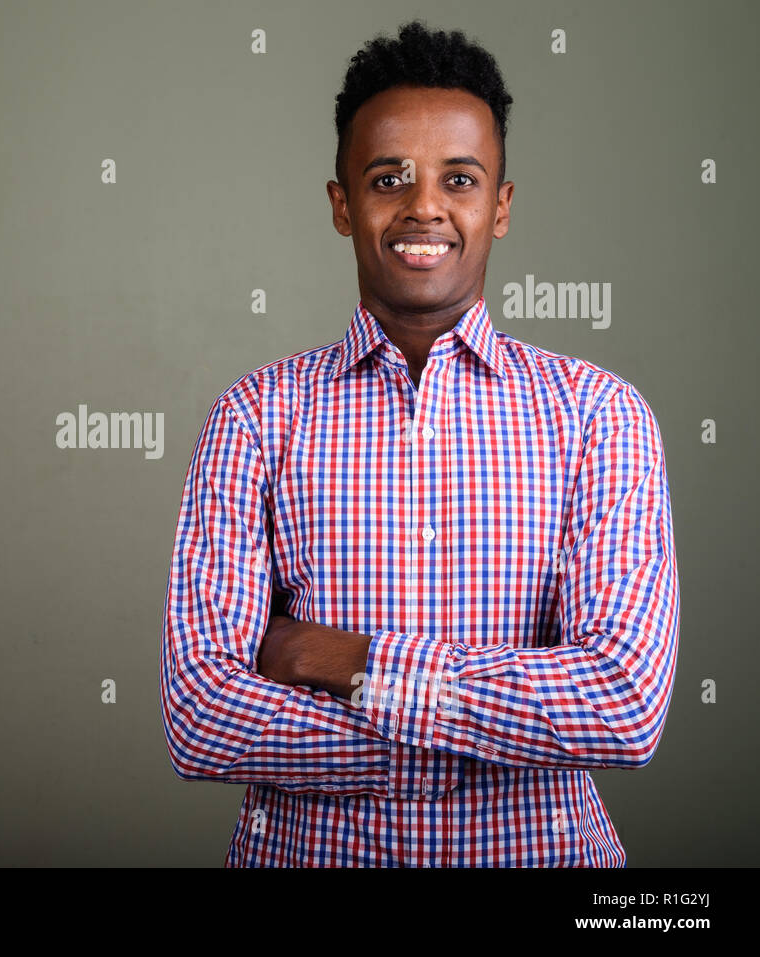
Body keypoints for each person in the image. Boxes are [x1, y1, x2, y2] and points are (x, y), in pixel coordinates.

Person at [158, 19, 679, 867]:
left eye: (460, 179)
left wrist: (342, 659)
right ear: (341, 204)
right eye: (388, 177)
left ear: (500, 206)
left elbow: (621, 705)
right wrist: (488, 730)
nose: (424, 205)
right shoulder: (255, 417)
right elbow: (204, 718)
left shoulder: (600, 418)